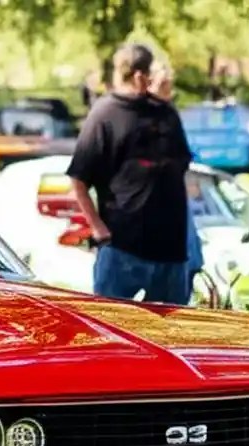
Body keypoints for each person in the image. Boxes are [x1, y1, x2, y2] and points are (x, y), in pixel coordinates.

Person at [67, 43, 193, 305]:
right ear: (138, 76)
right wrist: (98, 228)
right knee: (114, 330)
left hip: (171, 248)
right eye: (148, 74)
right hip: (122, 247)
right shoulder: (104, 114)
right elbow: (78, 180)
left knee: (173, 335)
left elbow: (182, 166)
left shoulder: (165, 113)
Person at [149, 64, 204, 303]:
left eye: (170, 88)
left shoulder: (169, 117)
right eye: (163, 86)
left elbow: (182, 160)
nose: (168, 93)